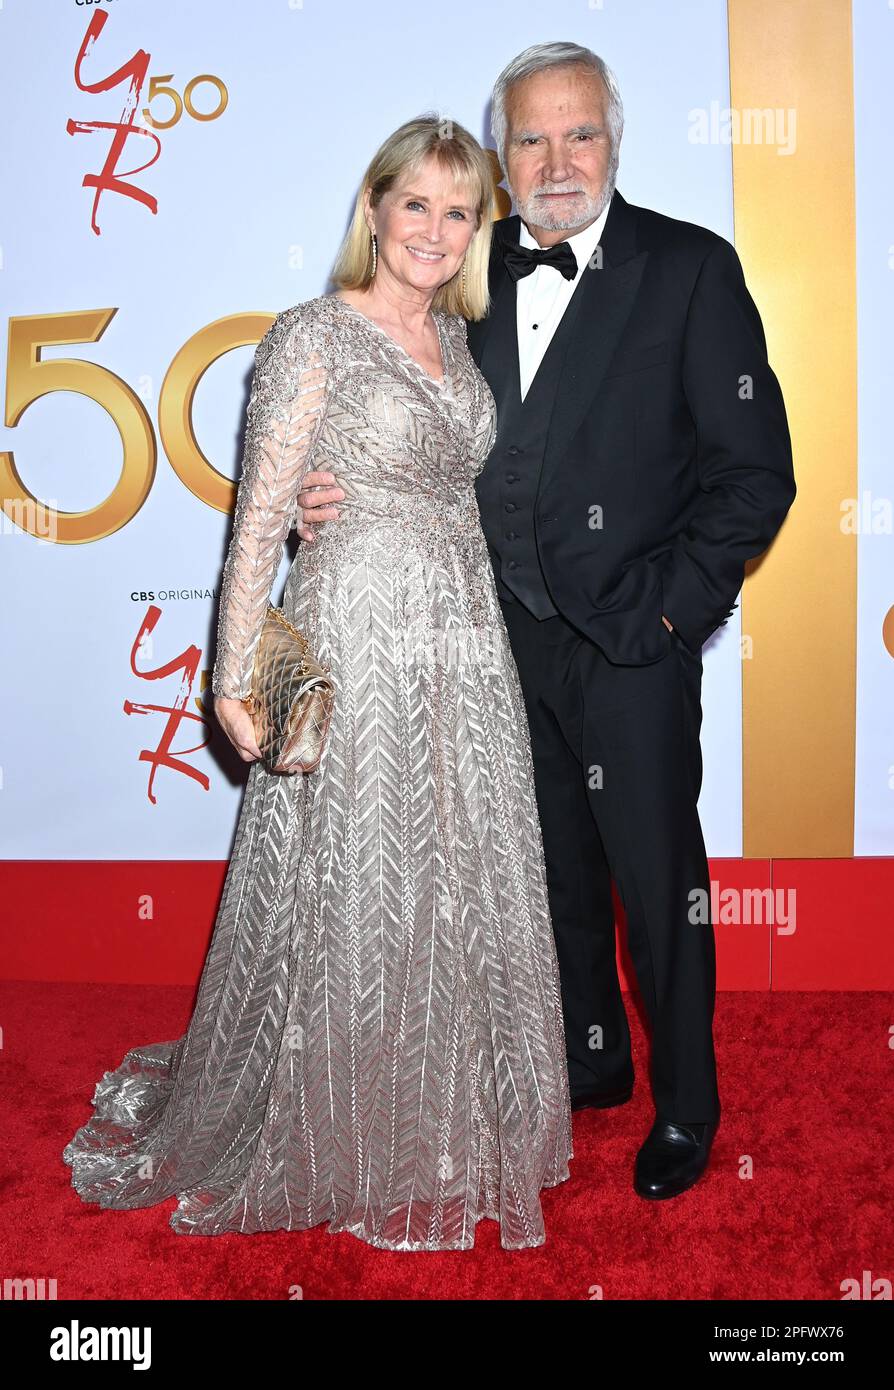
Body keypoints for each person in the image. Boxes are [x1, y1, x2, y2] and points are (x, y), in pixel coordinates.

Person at [62, 115, 573, 1251]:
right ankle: (338, 1119)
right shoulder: (311, 336)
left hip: (462, 634)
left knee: (454, 863)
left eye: (458, 211)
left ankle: (448, 1107)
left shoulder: (460, 339)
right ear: (375, 210)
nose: (435, 231)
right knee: (355, 865)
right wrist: (231, 671)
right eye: (416, 205)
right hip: (360, 627)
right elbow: (259, 516)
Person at [298, 43, 796, 1200]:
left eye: (579, 133)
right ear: (502, 155)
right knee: (551, 875)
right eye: (531, 138)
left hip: (632, 644)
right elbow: (405, 421)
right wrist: (328, 494)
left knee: (655, 877)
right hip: (493, 642)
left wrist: (672, 620)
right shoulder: (463, 276)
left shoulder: (690, 268)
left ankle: (686, 1102)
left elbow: (753, 475)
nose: (557, 159)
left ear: (613, 139)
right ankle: (593, 1059)